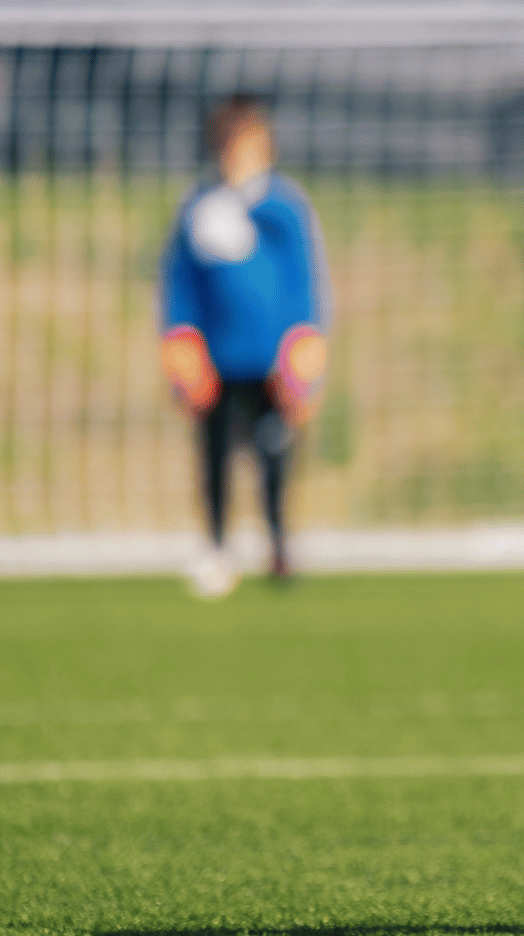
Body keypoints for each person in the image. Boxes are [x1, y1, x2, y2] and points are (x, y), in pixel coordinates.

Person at [160, 95, 330, 599]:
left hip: (272, 364)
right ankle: (216, 547)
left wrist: (303, 350)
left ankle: (279, 546)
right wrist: (181, 342)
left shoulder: (286, 208)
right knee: (213, 462)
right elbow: (180, 285)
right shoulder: (200, 207)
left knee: (275, 458)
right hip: (217, 362)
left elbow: (304, 286)